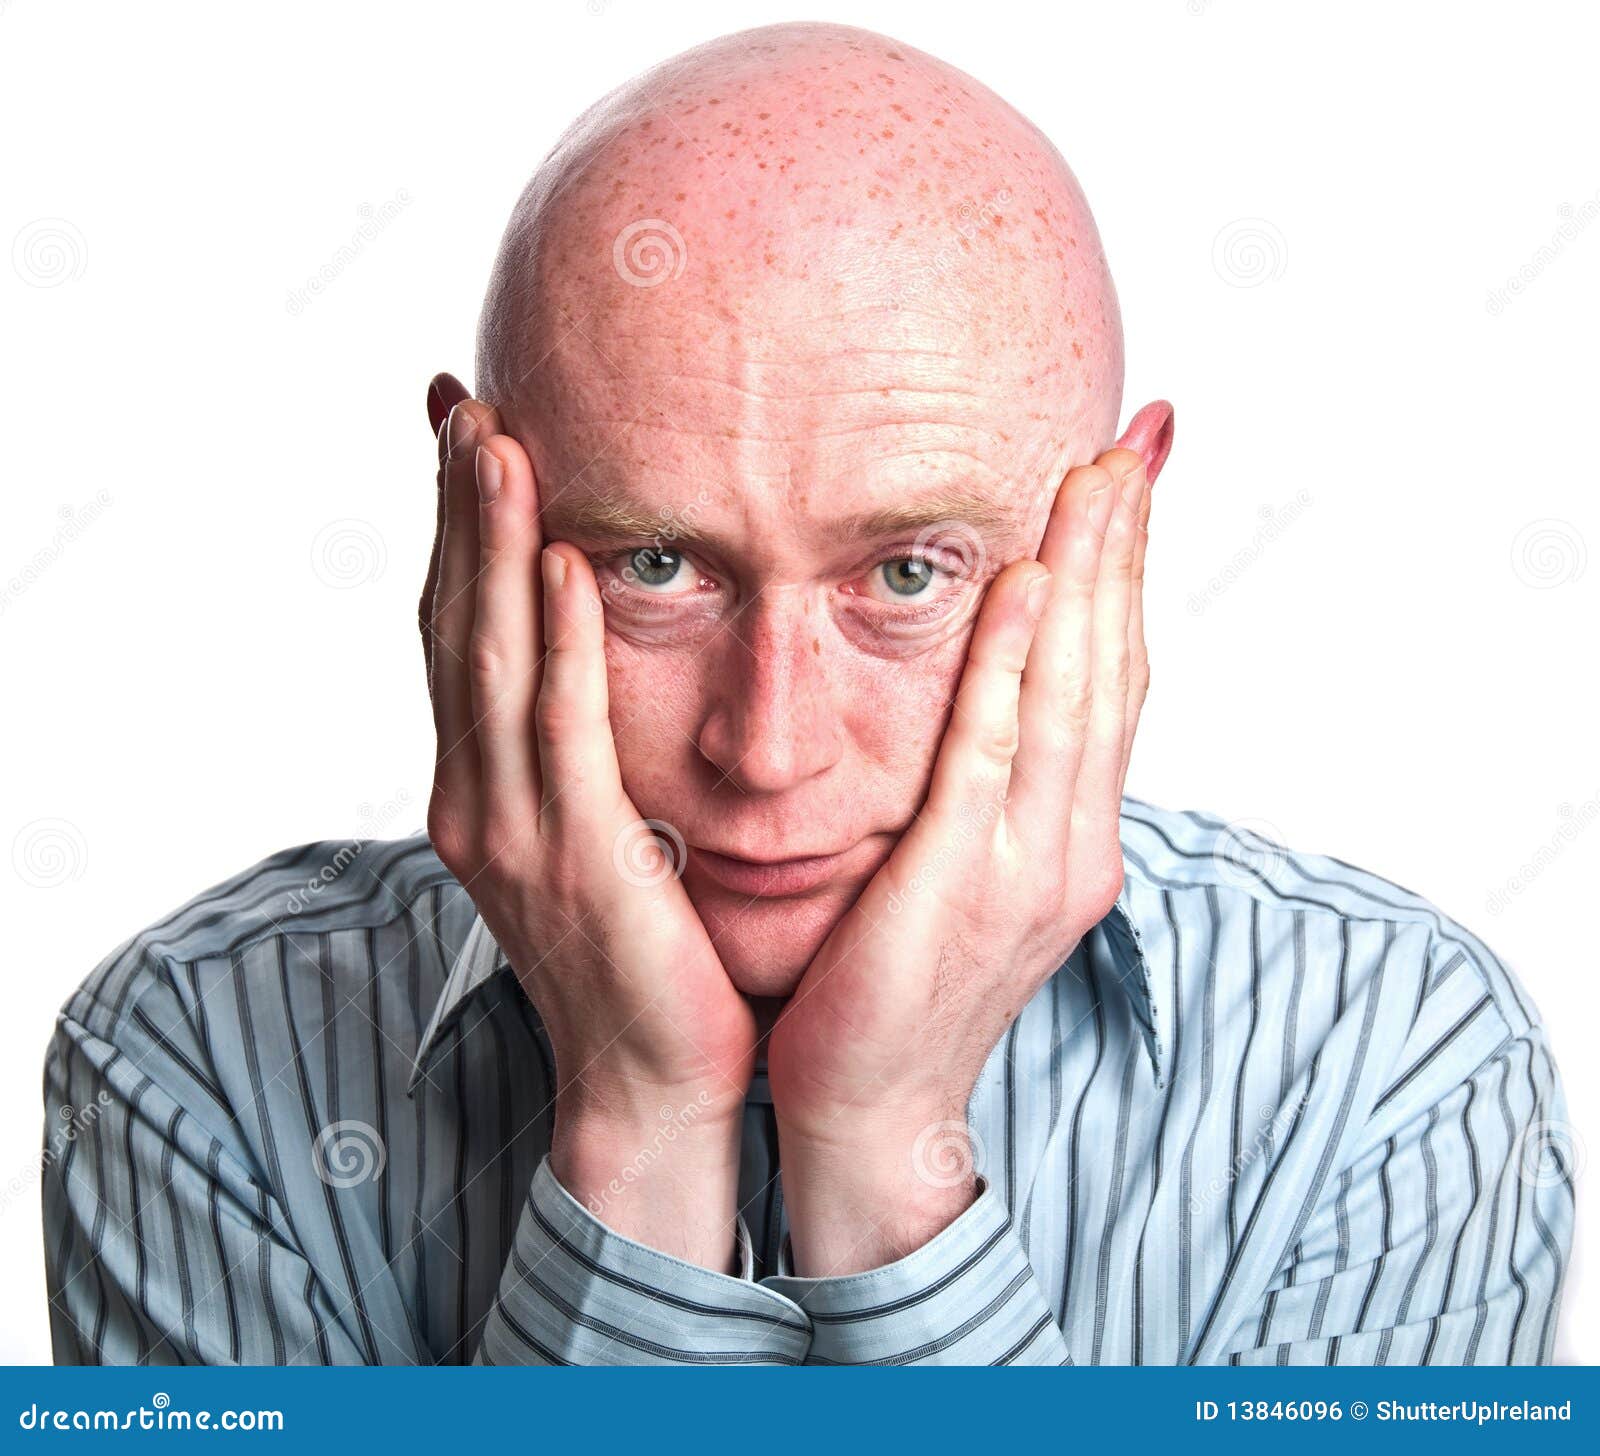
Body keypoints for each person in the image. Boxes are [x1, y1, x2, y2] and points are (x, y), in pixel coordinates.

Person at [44, 22, 1570, 1366]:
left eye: (907, 574)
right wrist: (638, 1129)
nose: (767, 748)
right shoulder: (194, 1066)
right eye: (656, 562)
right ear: (474, 511)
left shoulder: (1392, 1072)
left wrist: (887, 1167)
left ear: (1118, 529)